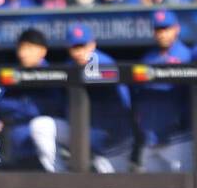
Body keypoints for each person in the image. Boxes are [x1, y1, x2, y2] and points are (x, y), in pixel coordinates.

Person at [38, 24, 135, 172]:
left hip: (113, 141)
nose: (79, 52)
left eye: (83, 46)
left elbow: (125, 102)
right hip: (83, 134)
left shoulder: (103, 62)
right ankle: (61, 178)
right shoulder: (69, 65)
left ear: (92, 44)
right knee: (41, 126)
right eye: (75, 47)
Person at [0, 28, 67, 170]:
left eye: (29, 48)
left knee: (40, 126)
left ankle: (61, 181)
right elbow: (0, 104)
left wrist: (19, 110)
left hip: (49, 146)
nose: (23, 53)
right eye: (21, 48)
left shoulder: (53, 74)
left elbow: (51, 108)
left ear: (42, 51)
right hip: (18, 146)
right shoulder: (14, 74)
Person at [133, 10, 194, 172]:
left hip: (178, 138)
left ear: (176, 29)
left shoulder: (185, 55)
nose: (162, 34)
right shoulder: (148, 57)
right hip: (151, 137)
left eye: (166, 29)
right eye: (159, 29)